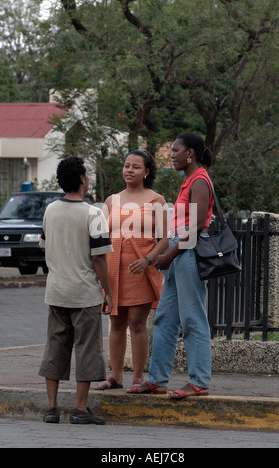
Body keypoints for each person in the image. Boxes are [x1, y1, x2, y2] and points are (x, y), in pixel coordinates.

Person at [129, 133, 214, 398]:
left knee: (193, 319)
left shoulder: (200, 179)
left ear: (190, 153)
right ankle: (157, 379)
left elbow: (196, 226)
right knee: (165, 319)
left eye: (176, 151)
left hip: (188, 253)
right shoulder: (189, 181)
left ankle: (199, 381)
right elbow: (177, 230)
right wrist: (155, 258)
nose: (172, 155)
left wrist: (171, 256)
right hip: (179, 252)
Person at [39, 156, 114, 424]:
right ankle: (80, 408)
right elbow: (99, 258)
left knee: (55, 347)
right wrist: (109, 292)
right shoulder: (93, 213)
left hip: (57, 291)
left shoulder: (50, 210)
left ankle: (51, 407)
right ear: (82, 179)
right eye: (87, 173)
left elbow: (44, 244)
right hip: (85, 293)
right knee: (87, 349)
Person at [95, 150, 169, 393]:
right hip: (113, 270)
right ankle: (115, 376)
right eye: (127, 165)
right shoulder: (111, 201)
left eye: (136, 167)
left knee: (137, 323)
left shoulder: (156, 201)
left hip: (140, 271)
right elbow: (101, 238)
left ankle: (138, 377)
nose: (129, 170)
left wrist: (148, 260)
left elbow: (166, 238)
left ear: (146, 172)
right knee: (116, 322)